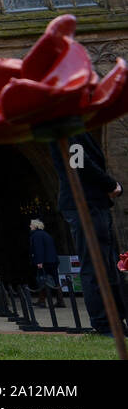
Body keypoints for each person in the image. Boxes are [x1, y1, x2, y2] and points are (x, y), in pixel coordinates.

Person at [49, 131, 126, 335]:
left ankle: (117, 319)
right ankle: (104, 322)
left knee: (108, 263)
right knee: (94, 264)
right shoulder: (65, 130)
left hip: (94, 203)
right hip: (83, 203)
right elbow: (79, 163)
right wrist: (111, 185)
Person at [28, 219, 64, 308]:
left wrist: (39, 261)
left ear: (35, 226)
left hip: (45, 262)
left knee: (41, 279)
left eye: (31, 225)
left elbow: (38, 249)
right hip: (53, 261)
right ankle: (60, 300)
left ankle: (42, 301)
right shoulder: (46, 234)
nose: (30, 226)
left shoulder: (36, 235)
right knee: (55, 280)